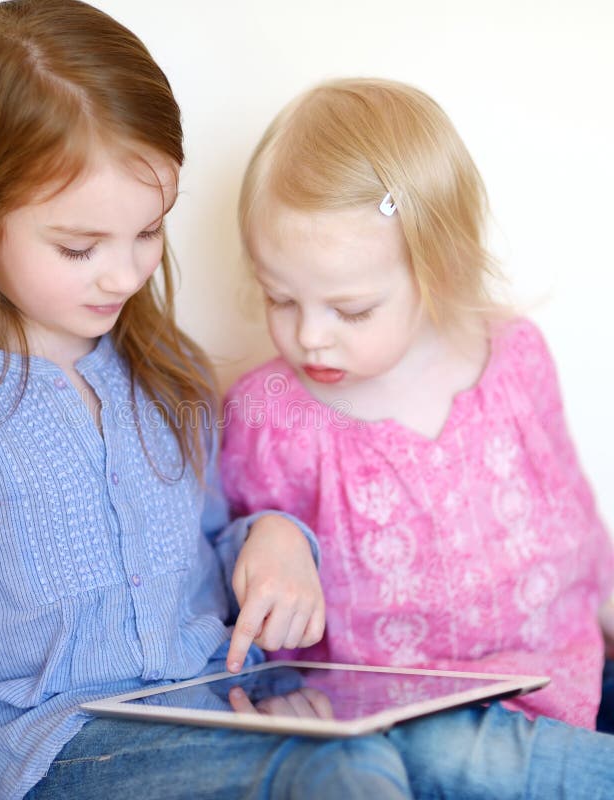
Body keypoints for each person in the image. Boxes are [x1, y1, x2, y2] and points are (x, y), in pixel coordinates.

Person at [0, 5, 423, 799]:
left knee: (448, 746)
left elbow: (205, 555)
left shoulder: (168, 378)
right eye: (79, 247)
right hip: (49, 756)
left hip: (214, 713)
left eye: (150, 231)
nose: (125, 275)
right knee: (337, 771)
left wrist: (272, 539)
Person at [220, 76, 614, 797]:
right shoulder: (270, 413)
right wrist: (265, 545)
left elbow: (572, 512)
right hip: (412, 714)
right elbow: (240, 564)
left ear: (439, 269)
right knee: (492, 762)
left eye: (352, 309)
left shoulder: (515, 357)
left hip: (567, 664)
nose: (310, 335)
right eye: (279, 297)